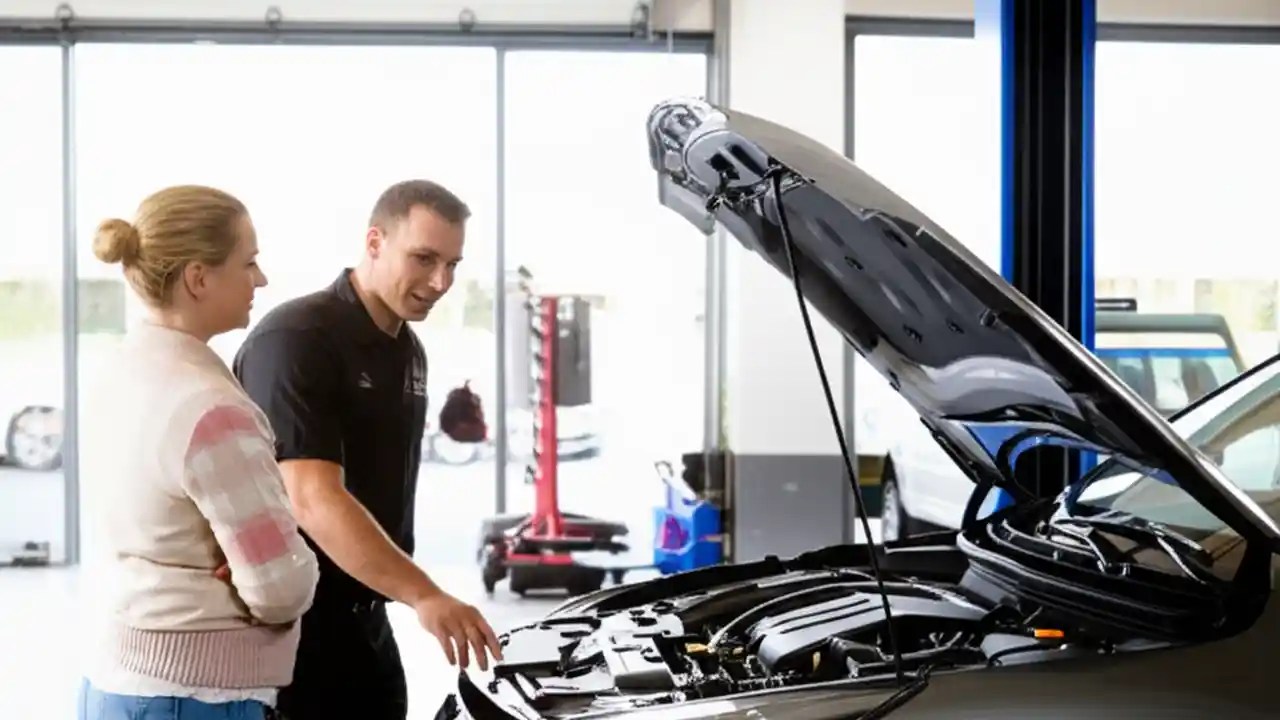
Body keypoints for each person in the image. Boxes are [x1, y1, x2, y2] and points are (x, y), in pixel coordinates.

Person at [232, 179, 503, 719]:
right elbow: (310, 497)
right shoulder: (298, 339)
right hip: (290, 630)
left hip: (366, 619)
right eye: (424, 258)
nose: (441, 281)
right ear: (375, 242)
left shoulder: (407, 350)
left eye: (453, 264)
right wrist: (426, 595)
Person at [77, 185, 321, 720]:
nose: (261, 279)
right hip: (198, 698)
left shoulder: (117, 373)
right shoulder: (211, 409)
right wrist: (291, 557)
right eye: (249, 262)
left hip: (118, 681)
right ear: (198, 278)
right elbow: (279, 586)